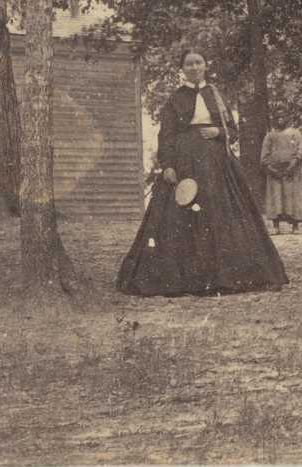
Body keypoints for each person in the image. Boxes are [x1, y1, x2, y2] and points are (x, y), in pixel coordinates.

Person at [118, 50, 287, 296]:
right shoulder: (175, 99)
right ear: (182, 68)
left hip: (217, 163)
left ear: (206, 66)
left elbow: (232, 129)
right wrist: (168, 165)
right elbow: (166, 135)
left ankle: (227, 273)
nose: (194, 67)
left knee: (222, 211)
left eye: (199, 63)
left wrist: (218, 132)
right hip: (186, 162)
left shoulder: (215, 96)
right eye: (189, 64)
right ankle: (187, 277)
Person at [260, 110, 302, 234]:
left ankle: (295, 226)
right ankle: (276, 226)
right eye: (278, 117)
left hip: (292, 170)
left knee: (293, 197)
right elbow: (264, 155)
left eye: (283, 117)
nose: (280, 120)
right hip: (275, 171)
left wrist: (292, 165)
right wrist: (271, 169)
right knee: (276, 198)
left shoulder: (295, 133)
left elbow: (300, 150)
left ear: (288, 117)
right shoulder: (270, 135)